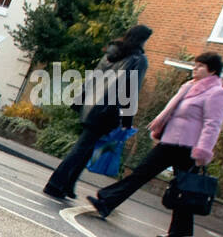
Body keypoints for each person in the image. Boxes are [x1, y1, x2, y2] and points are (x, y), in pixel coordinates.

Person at [88, 52, 223, 237]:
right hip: (169, 142)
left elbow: (212, 124)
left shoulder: (217, 93)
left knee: (184, 189)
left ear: (212, 70)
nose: (195, 69)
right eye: (194, 65)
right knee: (140, 173)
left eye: (200, 66)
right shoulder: (188, 87)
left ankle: (177, 234)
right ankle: (106, 203)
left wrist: (202, 152)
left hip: (189, 148)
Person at [43, 25, 152, 199]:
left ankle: (68, 185)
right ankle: (55, 184)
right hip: (108, 110)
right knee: (82, 148)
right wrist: (127, 120)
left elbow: (93, 77)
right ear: (143, 39)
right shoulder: (139, 60)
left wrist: (79, 101)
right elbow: (130, 90)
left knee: (86, 147)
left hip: (91, 105)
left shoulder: (113, 52)